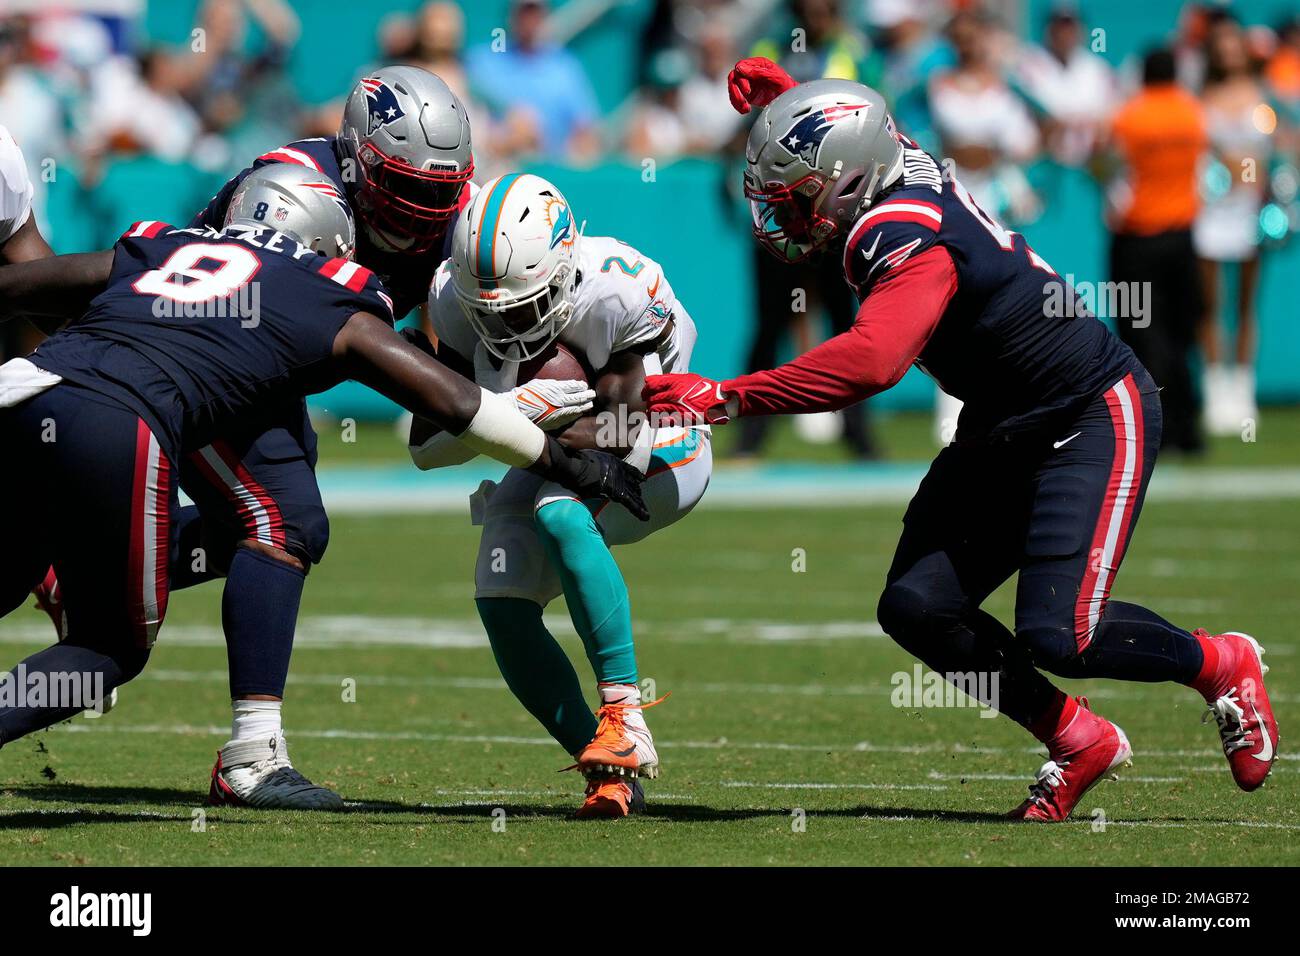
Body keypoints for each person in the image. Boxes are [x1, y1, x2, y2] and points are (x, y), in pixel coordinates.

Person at [643, 60, 1279, 821]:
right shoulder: (887, 163)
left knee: (1064, 633)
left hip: (1087, 408)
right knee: (918, 605)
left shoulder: (896, 228)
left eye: (801, 198)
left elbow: (875, 361)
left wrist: (728, 397)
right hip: (1003, 418)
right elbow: (863, 125)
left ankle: (1222, 664)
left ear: (847, 182)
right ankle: (1078, 739)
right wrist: (791, 100)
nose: (789, 217)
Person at [0, 164, 647, 770]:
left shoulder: (163, 244)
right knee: (108, 644)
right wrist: (574, 465)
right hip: (114, 418)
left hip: (22, 386)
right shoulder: (324, 288)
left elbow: (22, 285)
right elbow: (455, 404)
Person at [30, 65, 477, 809]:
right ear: (361, 161)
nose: (428, 210)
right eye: (410, 187)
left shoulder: (428, 218)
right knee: (285, 518)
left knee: (277, 511)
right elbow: (306, 336)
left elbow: (427, 396)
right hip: (203, 362)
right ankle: (253, 754)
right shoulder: (295, 199)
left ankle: (76, 569)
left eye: (442, 191)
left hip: (242, 371)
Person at [407, 173, 711, 818]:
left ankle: (625, 712)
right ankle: (607, 768)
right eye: (486, 309)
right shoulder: (459, 300)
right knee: (503, 597)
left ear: (564, 268)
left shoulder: (618, 291)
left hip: (663, 441)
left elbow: (629, 426)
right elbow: (425, 446)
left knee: (560, 508)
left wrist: (521, 418)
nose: (504, 324)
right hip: (559, 444)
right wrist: (512, 410)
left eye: (520, 305)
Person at [1106, 49, 1207, 455]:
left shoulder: (1129, 116)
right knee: (1182, 332)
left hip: (1138, 235)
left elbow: (1108, 169)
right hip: (1182, 234)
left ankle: (1156, 425)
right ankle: (1189, 427)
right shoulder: (1191, 113)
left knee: (1142, 331)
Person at [1194, 16, 1274, 436]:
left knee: (1245, 302)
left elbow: (1271, 148)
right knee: (1209, 302)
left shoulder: (1263, 95)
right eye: (1219, 45)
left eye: (1233, 44)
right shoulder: (1201, 96)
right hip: (1211, 210)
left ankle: (1242, 393)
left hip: (1249, 210)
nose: (1227, 51)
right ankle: (1215, 392)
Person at [465, 0, 600, 162]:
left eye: (535, 13)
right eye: (524, 13)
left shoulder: (565, 67)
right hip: (494, 163)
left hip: (549, 166)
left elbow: (586, 131)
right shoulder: (482, 61)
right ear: (511, 17)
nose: (530, 21)